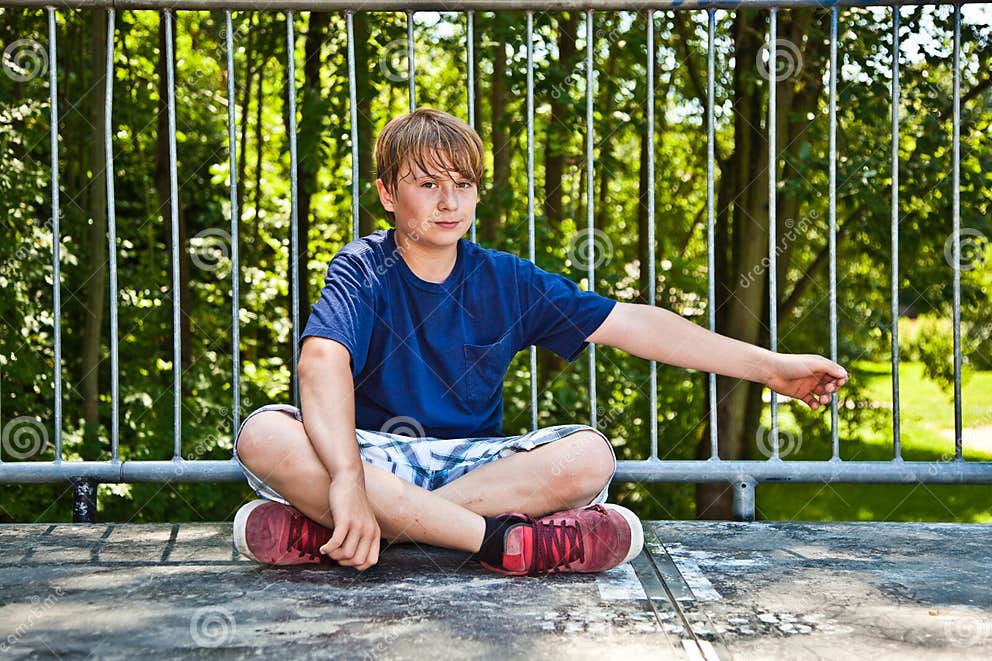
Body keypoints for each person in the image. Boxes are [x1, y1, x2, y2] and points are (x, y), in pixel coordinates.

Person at [231, 108, 848, 576]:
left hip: (472, 466)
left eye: (464, 185)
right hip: (372, 460)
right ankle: (497, 542)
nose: (450, 203)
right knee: (264, 435)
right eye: (427, 185)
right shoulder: (363, 266)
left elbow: (636, 325)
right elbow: (321, 360)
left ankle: (354, 530)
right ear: (389, 194)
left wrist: (769, 367)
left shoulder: (507, 279)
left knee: (589, 457)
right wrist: (344, 476)